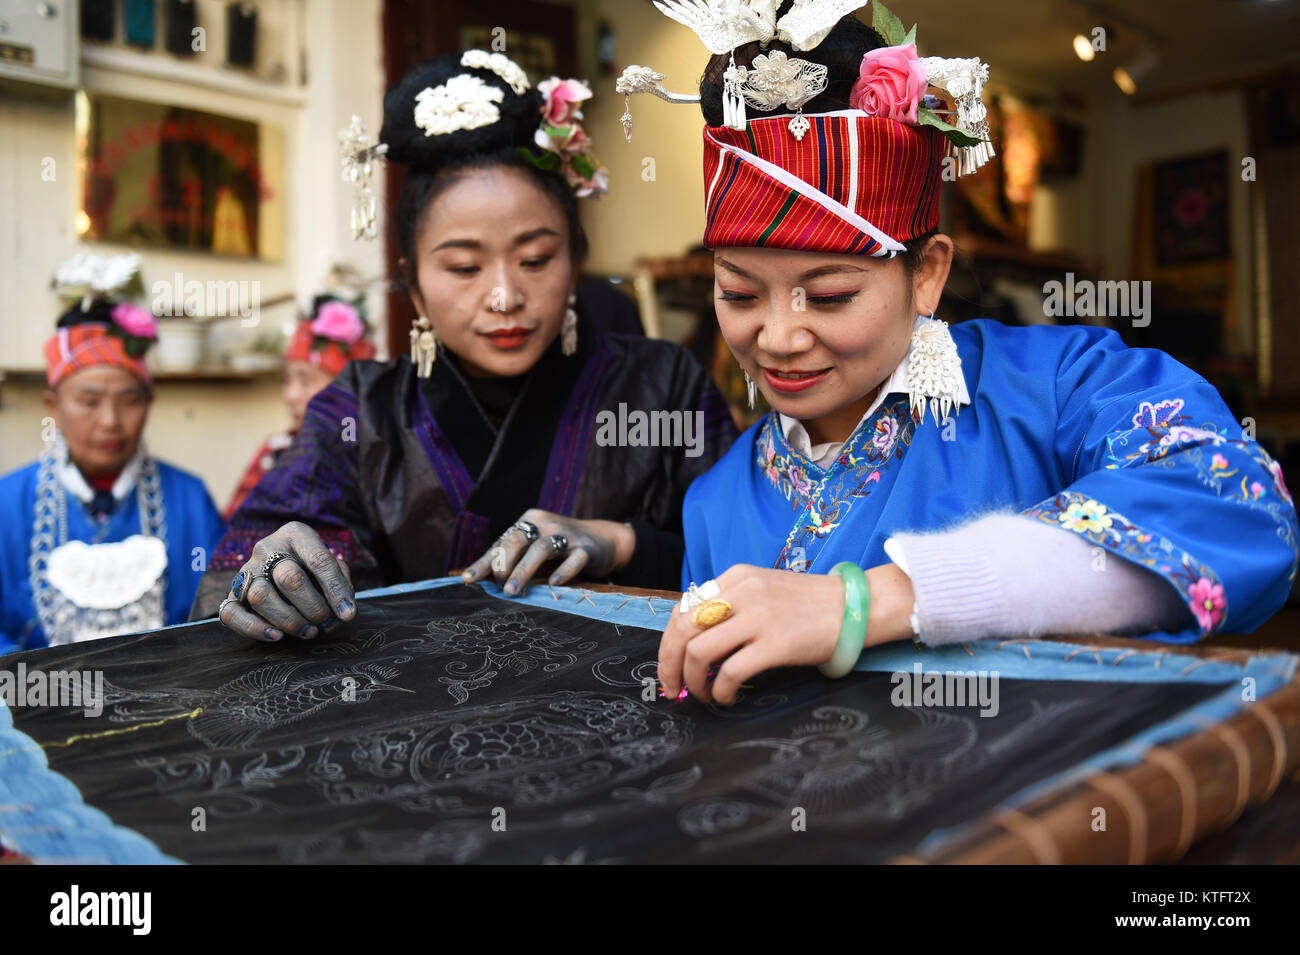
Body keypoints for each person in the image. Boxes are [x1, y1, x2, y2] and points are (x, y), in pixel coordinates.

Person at [619, 1, 1300, 704]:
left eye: (828, 296)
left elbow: (1236, 500)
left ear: (927, 274)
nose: (780, 338)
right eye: (738, 294)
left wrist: (872, 601)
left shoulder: (1058, 386)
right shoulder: (715, 501)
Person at [195, 51, 737, 639]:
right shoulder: (361, 412)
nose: (504, 296)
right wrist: (278, 571)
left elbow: (751, 567)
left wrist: (619, 543)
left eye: (535, 259)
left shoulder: (663, 389)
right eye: (463, 267)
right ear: (417, 288)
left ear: (576, 259)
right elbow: (231, 583)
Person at [0, 256, 225, 651]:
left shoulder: (189, 499)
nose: (110, 421)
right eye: (89, 401)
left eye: (129, 401)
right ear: (53, 406)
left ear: (149, 403)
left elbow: (221, 616)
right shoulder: (7, 504)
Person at [225, 294, 376, 518]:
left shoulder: (377, 457)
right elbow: (234, 529)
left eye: (305, 381)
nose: (290, 394)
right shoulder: (276, 451)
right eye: (287, 380)